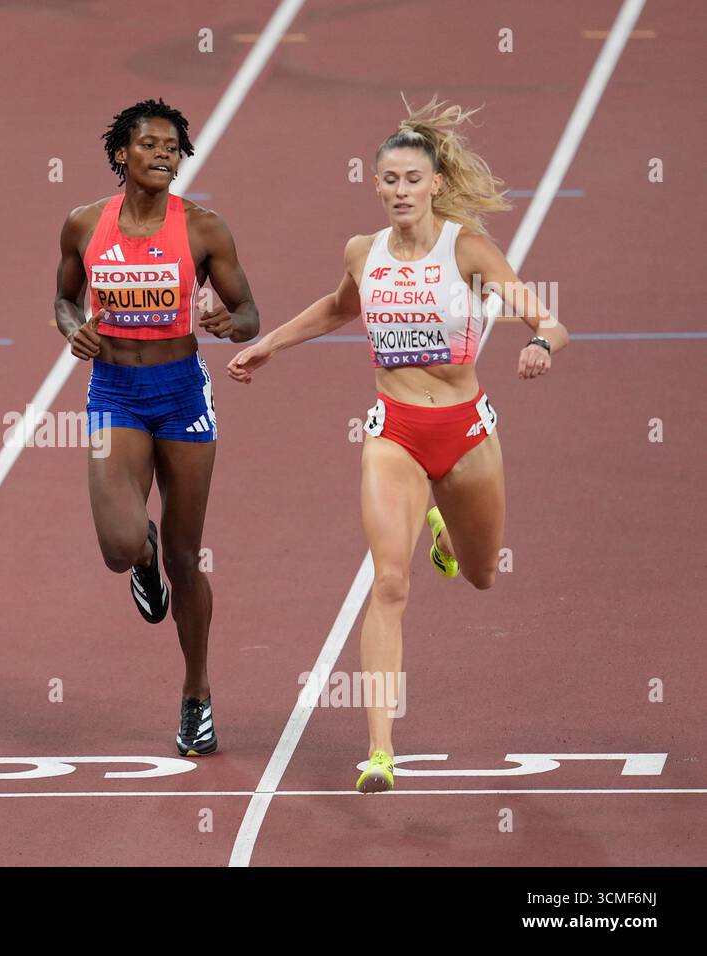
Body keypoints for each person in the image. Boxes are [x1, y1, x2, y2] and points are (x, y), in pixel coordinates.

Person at [227, 98, 568, 791]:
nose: (401, 191)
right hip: (396, 434)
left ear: (436, 183)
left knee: (481, 574)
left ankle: (445, 533)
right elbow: (338, 306)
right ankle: (380, 750)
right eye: (389, 180)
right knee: (388, 582)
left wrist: (538, 344)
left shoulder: (466, 247)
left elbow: (547, 319)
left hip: (467, 433)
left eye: (413, 179)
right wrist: (268, 346)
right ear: (375, 185)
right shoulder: (364, 252)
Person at [54, 99, 259, 755]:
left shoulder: (203, 229)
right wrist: (72, 328)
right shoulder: (85, 224)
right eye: (150, 144)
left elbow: (248, 310)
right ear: (121, 154)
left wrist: (232, 326)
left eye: (173, 146)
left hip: (180, 395)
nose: (164, 154)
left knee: (186, 556)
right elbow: (63, 297)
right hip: (115, 390)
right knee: (120, 547)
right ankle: (140, 555)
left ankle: (196, 692)